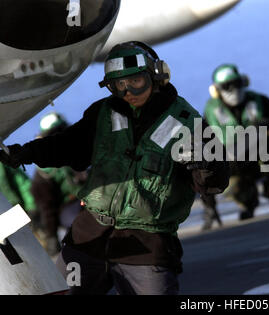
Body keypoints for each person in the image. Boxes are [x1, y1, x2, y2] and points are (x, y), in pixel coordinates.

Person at [0, 41, 229, 295]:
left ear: (156, 75)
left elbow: (214, 184)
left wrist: (204, 164)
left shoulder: (189, 124)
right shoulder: (103, 114)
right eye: (118, 85)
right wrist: (23, 153)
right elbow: (67, 145)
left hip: (146, 245)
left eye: (136, 81)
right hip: (88, 238)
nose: (128, 91)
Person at [203, 63, 269, 227]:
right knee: (219, 175)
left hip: (263, 160)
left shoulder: (260, 101)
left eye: (236, 84)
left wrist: (266, 126)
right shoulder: (210, 112)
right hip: (233, 163)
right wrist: (210, 207)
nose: (234, 90)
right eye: (227, 86)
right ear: (216, 90)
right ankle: (247, 202)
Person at [31, 112, 87, 256]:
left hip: (91, 197)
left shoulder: (78, 151)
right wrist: (51, 237)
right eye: (57, 133)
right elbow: (47, 209)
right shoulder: (43, 175)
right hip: (69, 208)